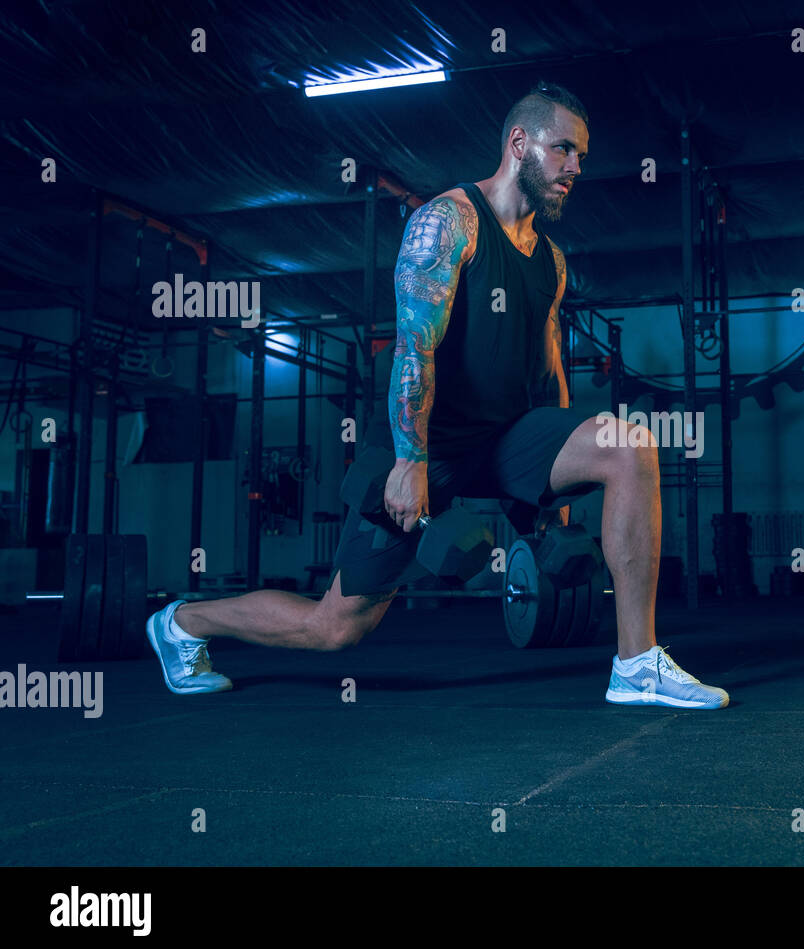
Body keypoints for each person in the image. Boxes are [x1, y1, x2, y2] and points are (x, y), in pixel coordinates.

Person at [144, 81, 729, 709]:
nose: (574, 169)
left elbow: (547, 371)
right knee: (335, 627)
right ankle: (182, 624)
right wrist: (409, 462)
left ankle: (637, 665)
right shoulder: (448, 223)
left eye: (581, 156)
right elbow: (414, 350)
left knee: (629, 445)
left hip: (505, 438)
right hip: (425, 443)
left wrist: (553, 490)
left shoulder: (551, 261)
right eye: (563, 150)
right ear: (518, 143)